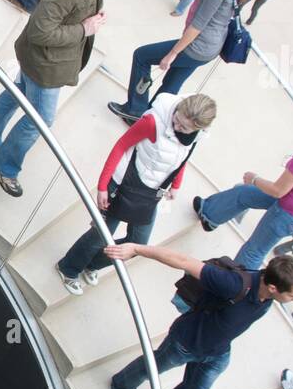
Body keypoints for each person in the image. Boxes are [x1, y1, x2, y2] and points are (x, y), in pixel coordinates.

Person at [0, 0, 138, 196]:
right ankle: (5, 165)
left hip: (43, 59)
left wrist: (89, 16)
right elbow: (40, 32)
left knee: (17, 94)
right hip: (45, 64)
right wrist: (84, 28)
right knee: (40, 120)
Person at [108, 249, 293, 389]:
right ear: (273, 287)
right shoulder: (234, 285)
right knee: (151, 367)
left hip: (218, 352)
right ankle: (121, 386)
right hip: (186, 343)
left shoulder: (268, 295)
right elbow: (184, 259)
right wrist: (136, 249)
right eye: (292, 296)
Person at [57, 93, 217, 295]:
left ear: (198, 128)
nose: (177, 128)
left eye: (184, 128)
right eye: (176, 121)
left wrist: (176, 184)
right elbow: (121, 145)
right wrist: (103, 185)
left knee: (138, 243)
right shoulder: (153, 122)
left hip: (149, 193)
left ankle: (92, 264)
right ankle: (68, 268)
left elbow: (182, 157)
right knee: (101, 235)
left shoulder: (196, 136)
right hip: (124, 183)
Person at [108, 0, 252, 124]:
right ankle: (151, 121)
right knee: (171, 84)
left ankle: (135, 109)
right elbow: (221, 6)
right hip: (210, 48)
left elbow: (198, 25)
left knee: (142, 56)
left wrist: (172, 53)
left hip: (197, 46)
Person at [193, 155, 293, 270]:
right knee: (245, 192)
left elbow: (277, 191)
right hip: (289, 203)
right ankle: (210, 215)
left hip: (286, 212)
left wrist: (254, 179)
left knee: (253, 252)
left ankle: (236, 283)